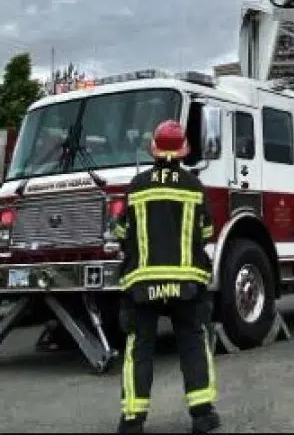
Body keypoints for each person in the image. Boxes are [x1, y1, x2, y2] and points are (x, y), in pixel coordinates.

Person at [113, 120, 220, 435]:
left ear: (154, 149)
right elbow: (206, 232)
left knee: (139, 348)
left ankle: (132, 420)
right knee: (192, 343)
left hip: (142, 283)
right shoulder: (194, 186)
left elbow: (121, 232)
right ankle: (202, 415)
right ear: (184, 150)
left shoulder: (137, 185)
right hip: (188, 284)